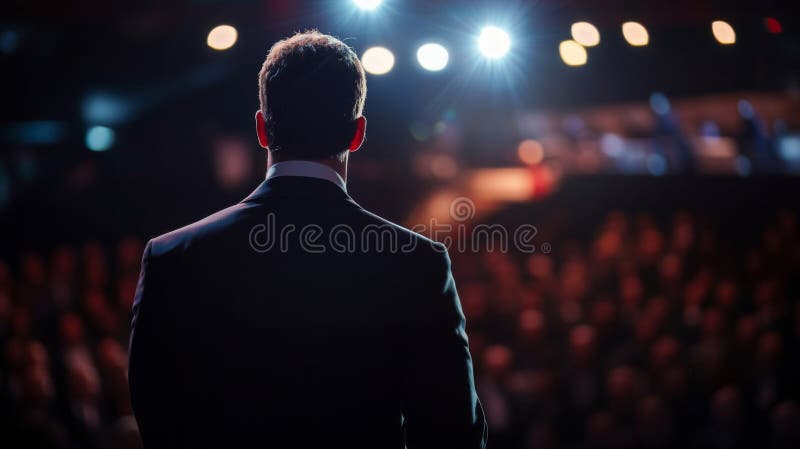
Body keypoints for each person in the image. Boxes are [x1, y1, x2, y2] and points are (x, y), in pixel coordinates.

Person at [128, 30, 486, 449]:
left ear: (262, 128)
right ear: (357, 134)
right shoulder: (417, 264)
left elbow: (157, 417)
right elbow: (453, 432)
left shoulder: (173, 257)